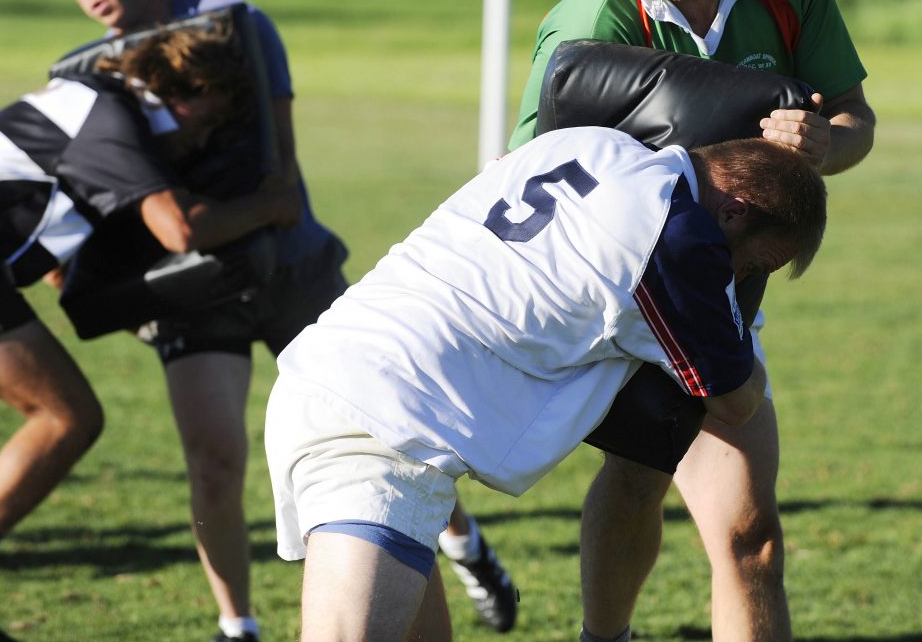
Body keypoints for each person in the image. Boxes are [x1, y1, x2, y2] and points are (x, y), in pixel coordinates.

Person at [52, 0, 517, 639]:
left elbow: (282, 165)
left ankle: (467, 546)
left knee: (390, 436)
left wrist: (239, 216)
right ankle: (237, 624)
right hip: (195, 291)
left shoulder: (233, 22)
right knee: (212, 456)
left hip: (292, 264)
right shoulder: (92, 75)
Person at [508, 0, 877, 642]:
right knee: (637, 476)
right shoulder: (591, 18)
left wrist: (827, 145)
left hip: (727, 289)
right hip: (621, 296)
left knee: (751, 535)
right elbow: (528, 176)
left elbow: (856, 120)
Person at [265, 126, 828, 642]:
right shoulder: (673, 235)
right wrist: (731, 323)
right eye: (754, 266)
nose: (742, 280)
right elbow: (735, 400)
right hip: (386, 433)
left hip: (329, 375)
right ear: (733, 212)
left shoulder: (587, 142)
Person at [0, 30, 301, 642]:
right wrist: (272, 206)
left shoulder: (87, 105)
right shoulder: (109, 112)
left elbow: (51, 243)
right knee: (66, 418)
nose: (203, 140)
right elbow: (181, 227)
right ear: (191, 90)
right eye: (209, 120)